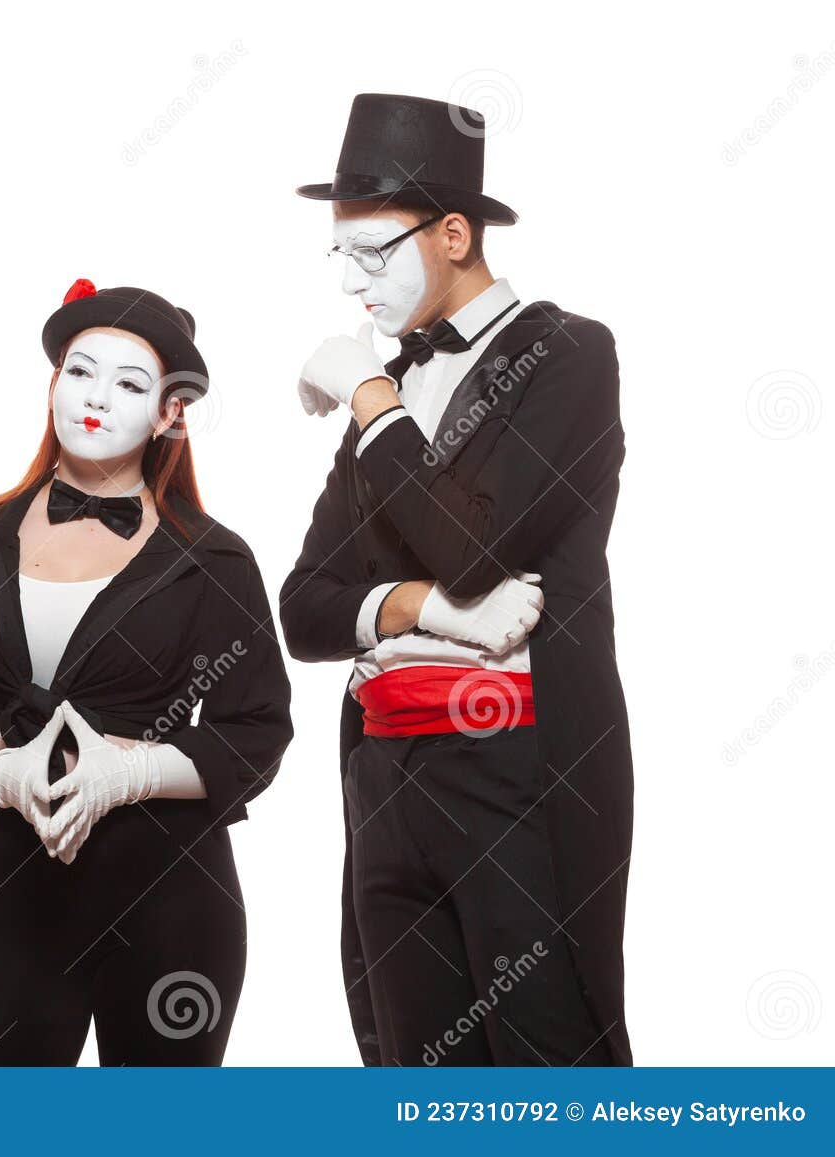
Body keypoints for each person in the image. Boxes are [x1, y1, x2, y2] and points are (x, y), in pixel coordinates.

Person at [282, 95, 634, 1066]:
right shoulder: (389, 384)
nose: (354, 284)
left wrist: (368, 399)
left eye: (372, 253)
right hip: (386, 777)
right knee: (414, 1076)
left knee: (549, 1069)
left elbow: (472, 542)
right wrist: (420, 607)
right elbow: (305, 611)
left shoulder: (566, 354)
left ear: (451, 233)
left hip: (516, 765)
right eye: (339, 257)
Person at [0, 280, 293, 1065]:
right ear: (52, 383)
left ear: (171, 413)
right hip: (11, 900)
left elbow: (258, 731)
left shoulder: (215, 561)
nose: (96, 398)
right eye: (80, 371)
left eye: (130, 383)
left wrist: (130, 773)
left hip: (173, 906)